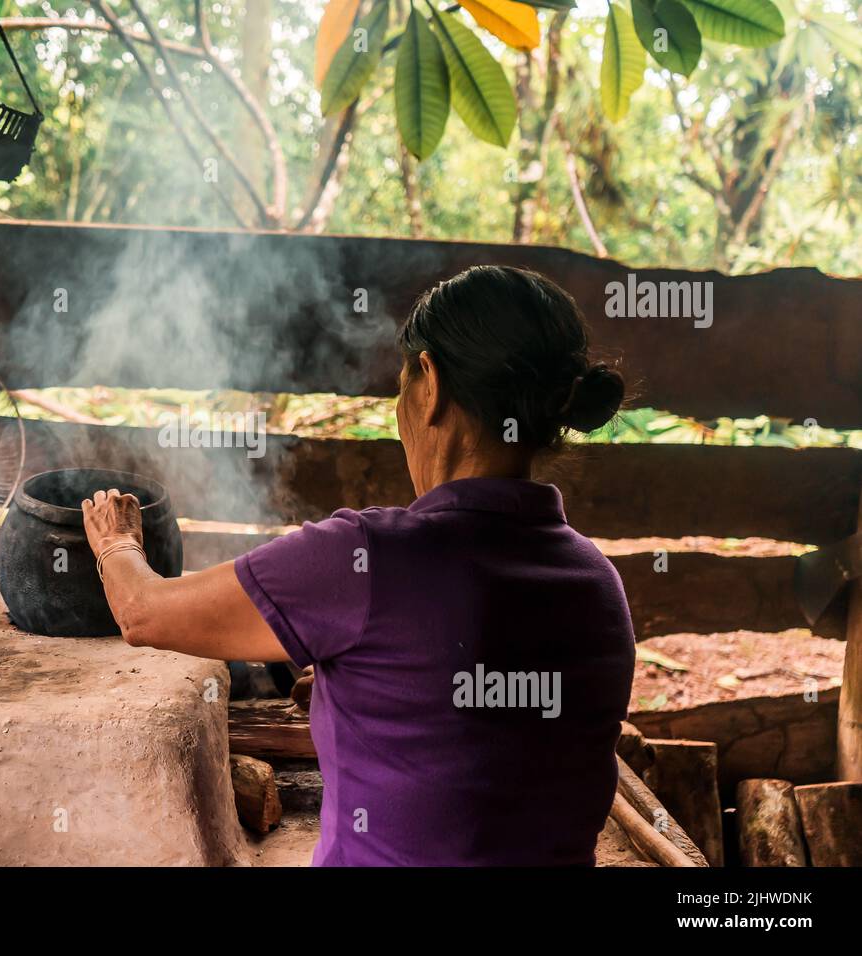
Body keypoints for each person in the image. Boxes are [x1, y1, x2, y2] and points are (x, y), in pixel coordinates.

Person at [81, 265, 636, 866]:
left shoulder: (363, 558)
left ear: (429, 383)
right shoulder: (597, 584)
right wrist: (375, 677)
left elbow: (144, 613)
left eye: (402, 383)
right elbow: (486, 723)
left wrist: (116, 545)